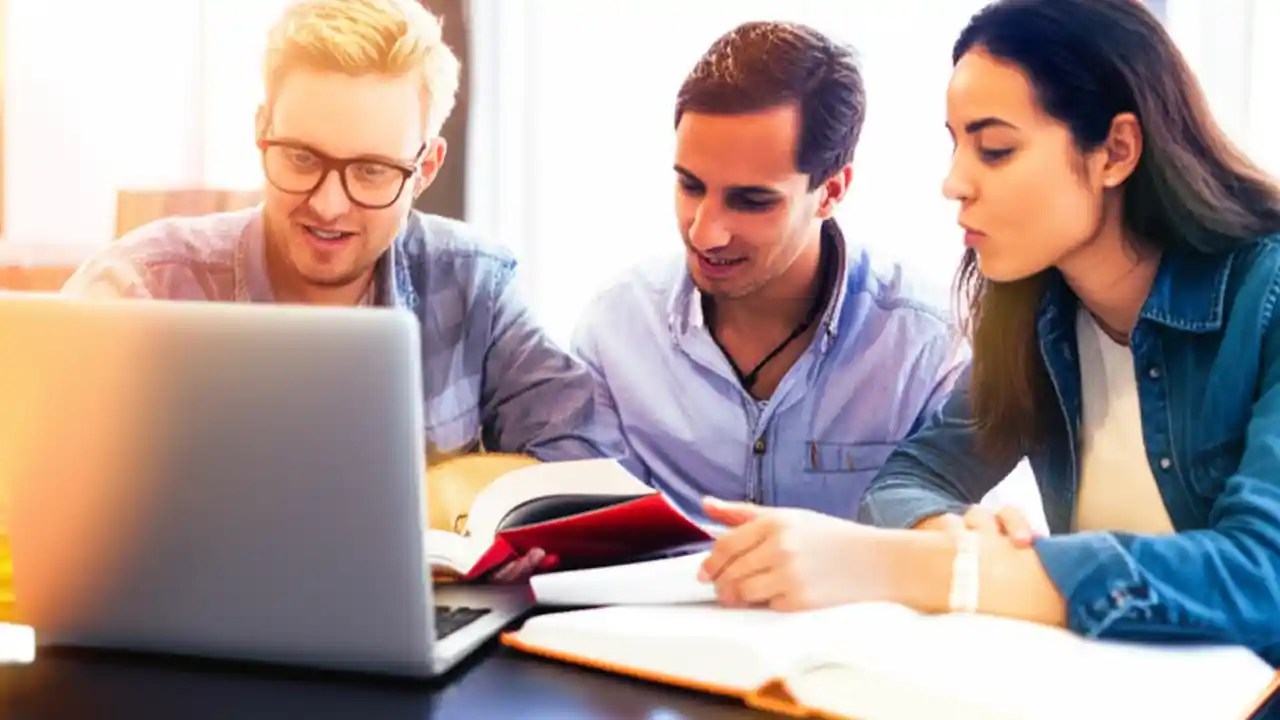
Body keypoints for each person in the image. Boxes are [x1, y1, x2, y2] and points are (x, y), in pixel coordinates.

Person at [697, 0, 1280, 666]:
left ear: (1116, 151)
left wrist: (943, 571)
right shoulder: (1041, 315)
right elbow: (908, 480)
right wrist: (948, 536)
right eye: (956, 144)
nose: (954, 183)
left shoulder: (1266, 296)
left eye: (995, 149)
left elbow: (1262, 575)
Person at [61, 0, 623, 581]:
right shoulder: (143, 284)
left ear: (425, 168)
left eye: (372, 170)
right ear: (261, 132)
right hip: (177, 612)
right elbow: (37, 476)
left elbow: (589, 469)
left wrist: (442, 492)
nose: (329, 205)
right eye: (302, 158)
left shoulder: (474, 283)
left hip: (414, 617)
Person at [572, 21, 969, 525]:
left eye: (751, 201)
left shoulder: (926, 349)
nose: (705, 233)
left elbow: (964, 548)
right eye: (691, 187)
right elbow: (587, 532)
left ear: (831, 192)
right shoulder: (615, 331)